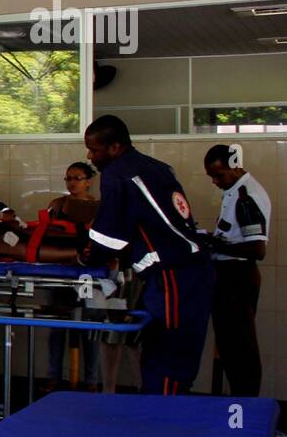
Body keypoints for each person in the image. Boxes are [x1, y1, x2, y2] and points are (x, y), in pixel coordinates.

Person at [82, 115, 213, 395]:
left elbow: (108, 240)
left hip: (173, 276)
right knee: (178, 359)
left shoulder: (117, 173)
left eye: (94, 149)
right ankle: (171, 421)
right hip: (192, 272)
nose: (90, 156)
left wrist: (85, 258)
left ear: (115, 147)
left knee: (165, 360)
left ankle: (162, 425)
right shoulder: (157, 168)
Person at [204, 144, 271, 397]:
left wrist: (217, 244)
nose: (215, 181)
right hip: (228, 276)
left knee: (241, 350)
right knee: (231, 349)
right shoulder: (233, 191)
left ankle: (245, 410)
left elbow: (257, 250)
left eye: (219, 175)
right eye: (211, 176)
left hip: (237, 277)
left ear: (235, 167)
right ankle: (238, 406)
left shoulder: (246, 195)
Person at [44, 162, 101, 390]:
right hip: (61, 271)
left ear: (89, 181)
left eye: (77, 178)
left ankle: (92, 380)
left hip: (90, 273)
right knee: (57, 326)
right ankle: (54, 377)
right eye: (68, 178)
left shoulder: (99, 207)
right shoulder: (57, 205)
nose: (72, 183)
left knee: (91, 327)